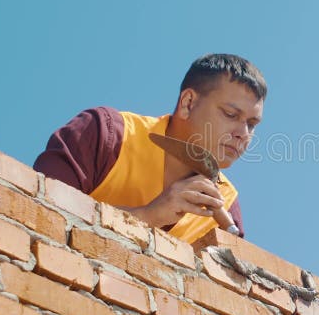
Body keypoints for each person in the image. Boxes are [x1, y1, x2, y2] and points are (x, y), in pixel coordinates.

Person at [34, 54, 266, 243]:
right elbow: (37, 210)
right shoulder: (106, 133)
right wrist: (148, 216)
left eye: (252, 124)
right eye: (230, 114)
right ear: (188, 103)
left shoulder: (227, 205)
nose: (243, 134)